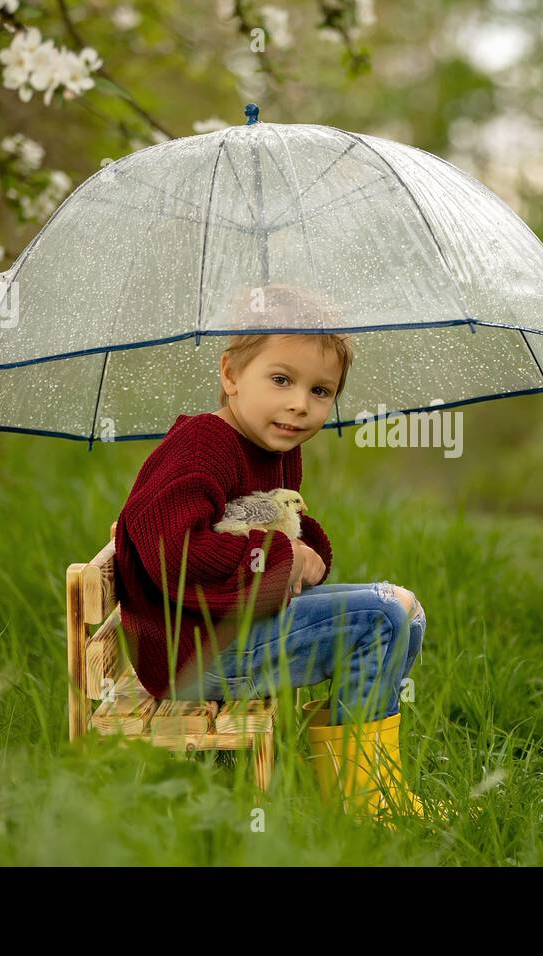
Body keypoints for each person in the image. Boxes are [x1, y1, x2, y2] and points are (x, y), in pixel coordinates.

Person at [113, 283, 433, 825]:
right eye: (281, 380)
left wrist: (304, 552)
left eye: (321, 391)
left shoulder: (273, 446)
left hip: (232, 627)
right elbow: (174, 552)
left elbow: (290, 524)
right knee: (381, 620)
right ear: (231, 375)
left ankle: (355, 773)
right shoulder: (202, 448)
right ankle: (364, 801)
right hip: (194, 651)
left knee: (403, 609)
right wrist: (284, 556)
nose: (299, 404)